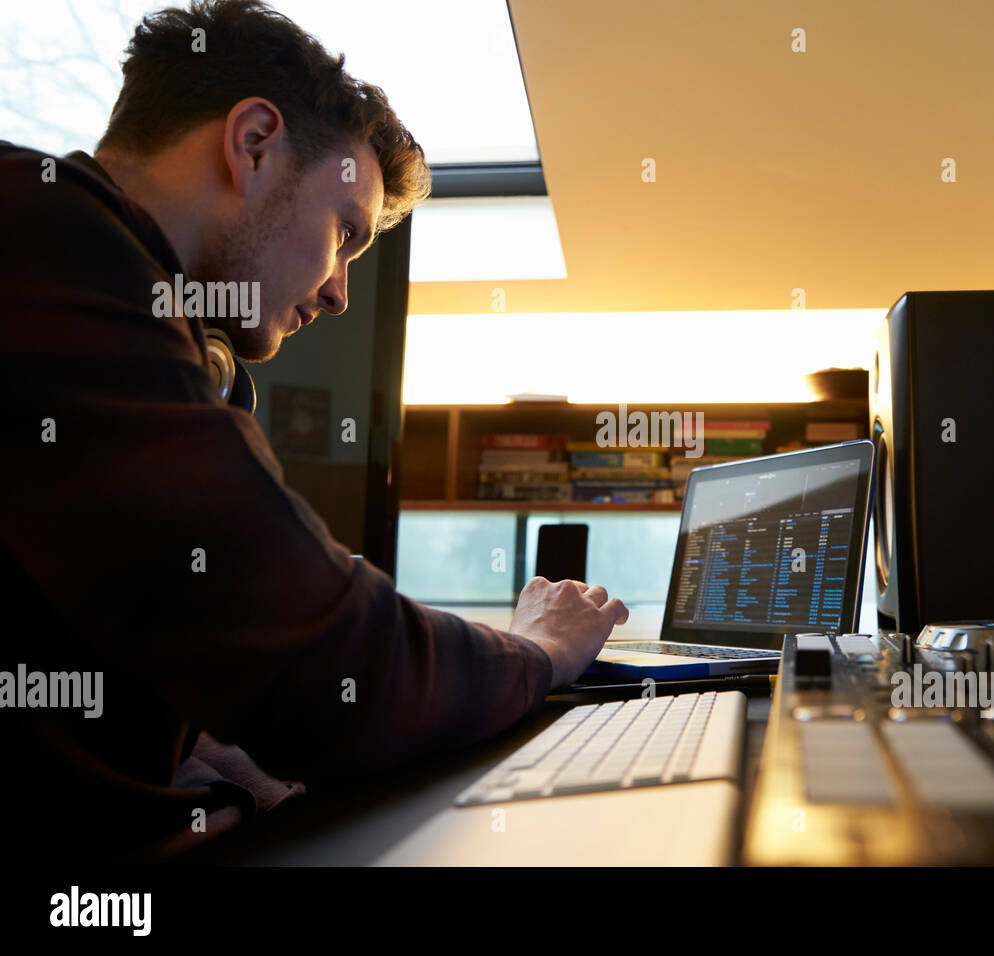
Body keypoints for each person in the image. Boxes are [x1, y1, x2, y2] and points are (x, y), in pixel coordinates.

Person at [0, 0, 627, 863]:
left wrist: (201, 752)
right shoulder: (51, 239)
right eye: (344, 234)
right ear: (253, 142)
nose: (337, 293)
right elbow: (335, 661)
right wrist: (539, 649)